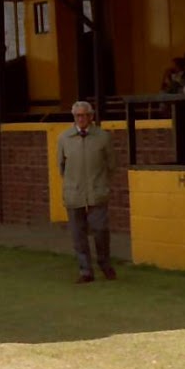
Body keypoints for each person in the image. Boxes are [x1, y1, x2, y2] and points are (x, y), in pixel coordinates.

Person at [57, 100, 117, 283]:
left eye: (84, 115)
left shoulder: (103, 137)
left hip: (96, 191)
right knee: (78, 234)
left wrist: (102, 183)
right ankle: (85, 271)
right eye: (77, 116)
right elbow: (61, 165)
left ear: (91, 116)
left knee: (100, 230)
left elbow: (111, 164)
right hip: (74, 192)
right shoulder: (64, 138)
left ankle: (104, 264)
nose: (81, 119)